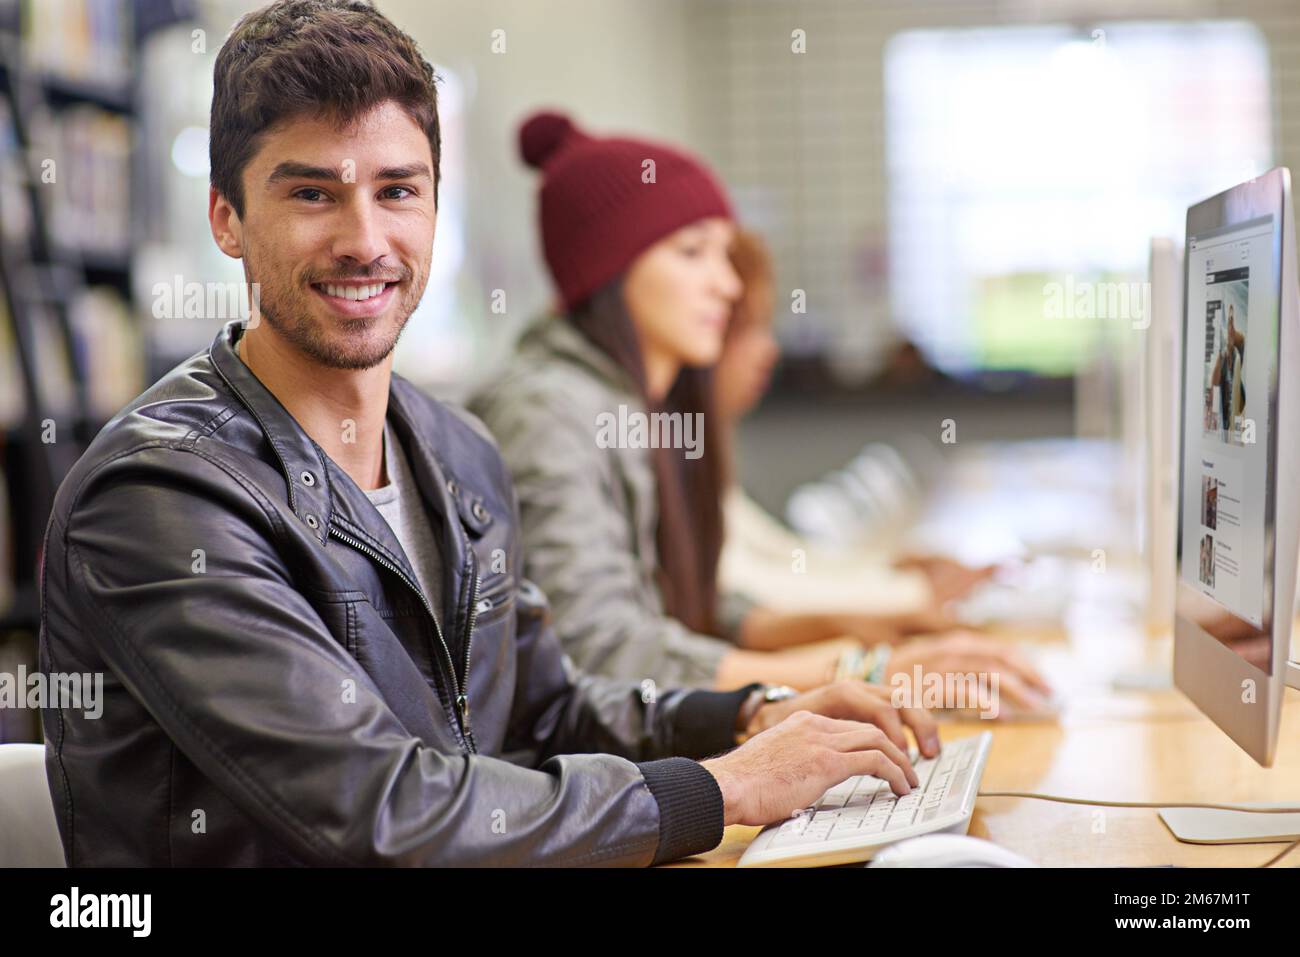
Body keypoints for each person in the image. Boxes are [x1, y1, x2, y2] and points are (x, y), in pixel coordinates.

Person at [37, 0, 939, 868]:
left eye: (398, 191)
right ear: (226, 218)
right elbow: (378, 809)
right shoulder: (161, 492)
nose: (365, 239)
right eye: (313, 192)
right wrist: (716, 789)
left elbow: (544, 710)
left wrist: (746, 717)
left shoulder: (455, 450)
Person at [472, 112, 1051, 707]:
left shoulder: (625, 405)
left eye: (725, 255)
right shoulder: (547, 415)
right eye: (693, 252)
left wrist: (859, 634)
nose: (726, 284)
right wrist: (867, 669)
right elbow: (605, 653)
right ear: (609, 273)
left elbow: (686, 606)